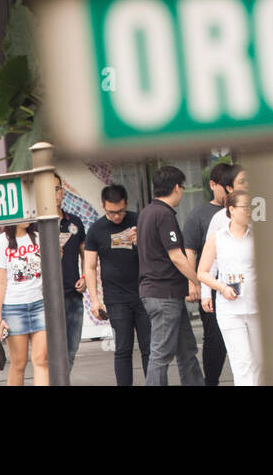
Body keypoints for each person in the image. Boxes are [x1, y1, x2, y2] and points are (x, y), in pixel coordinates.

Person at [138, 165, 204, 386]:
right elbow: (177, 256)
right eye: (183, 187)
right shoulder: (164, 215)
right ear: (177, 187)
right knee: (161, 355)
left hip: (165, 294)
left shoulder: (147, 212)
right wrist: (198, 280)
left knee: (186, 350)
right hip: (164, 295)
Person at [84, 184, 151, 385]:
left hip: (143, 293)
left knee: (149, 348)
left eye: (120, 211)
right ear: (103, 206)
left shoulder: (139, 220)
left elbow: (157, 254)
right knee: (123, 349)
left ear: (126, 204)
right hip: (116, 299)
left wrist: (141, 240)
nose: (116, 216)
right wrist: (94, 300)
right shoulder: (96, 229)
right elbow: (89, 266)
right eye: (111, 212)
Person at [196, 191, 261, 385]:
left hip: (257, 307)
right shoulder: (217, 238)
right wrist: (222, 288)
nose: (249, 211)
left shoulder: (257, 236)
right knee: (242, 362)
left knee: (260, 361)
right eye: (245, 207)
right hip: (230, 310)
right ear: (231, 209)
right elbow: (203, 272)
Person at [184, 161, 230, 386]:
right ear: (213, 184)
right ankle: (211, 381)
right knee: (214, 339)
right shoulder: (199, 215)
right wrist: (194, 285)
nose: (228, 190)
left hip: (237, 285)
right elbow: (190, 252)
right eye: (224, 185)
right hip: (211, 285)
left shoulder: (244, 209)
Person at [0, 221, 48, 386]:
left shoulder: (38, 238)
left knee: (41, 360)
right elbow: (0, 282)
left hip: (39, 304)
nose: (27, 216)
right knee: (19, 363)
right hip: (14, 308)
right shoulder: (1, 242)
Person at [54, 177, 87, 372]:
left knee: (71, 348)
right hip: (48, 298)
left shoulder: (74, 222)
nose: (54, 193)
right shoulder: (35, 226)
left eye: (57, 188)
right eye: (48, 188)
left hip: (74, 295)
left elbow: (85, 255)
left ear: (63, 191)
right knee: (52, 351)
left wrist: (84, 278)